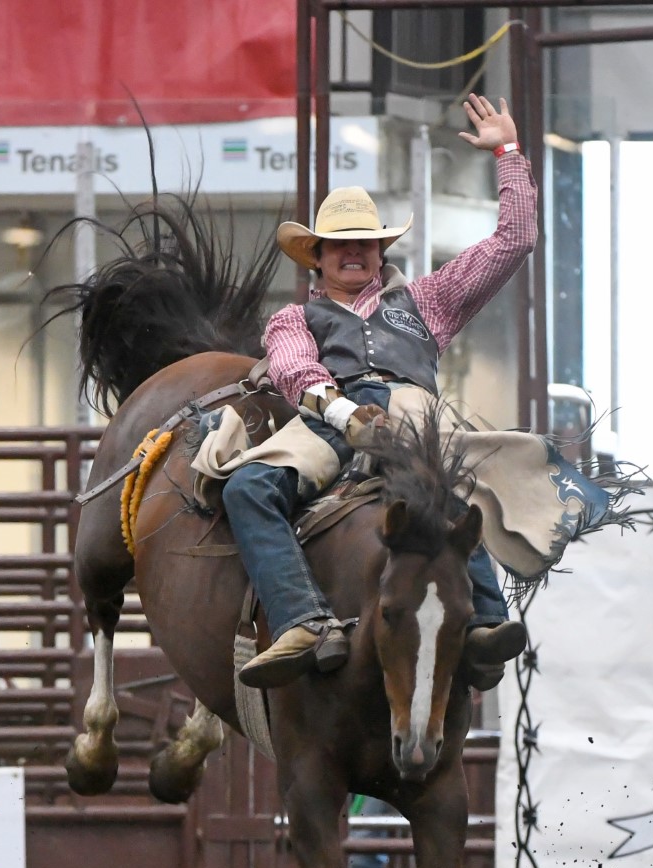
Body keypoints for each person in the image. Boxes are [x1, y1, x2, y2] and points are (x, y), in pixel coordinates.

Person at [217, 92, 613, 691]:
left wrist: (507, 152)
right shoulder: (294, 318)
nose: (354, 251)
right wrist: (345, 412)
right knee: (248, 487)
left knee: (444, 486)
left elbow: (514, 241)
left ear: (380, 251)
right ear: (317, 257)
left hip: (412, 415)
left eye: (366, 242)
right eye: (341, 244)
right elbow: (295, 369)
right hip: (327, 419)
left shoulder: (426, 301)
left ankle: (483, 623)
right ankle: (303, 620)